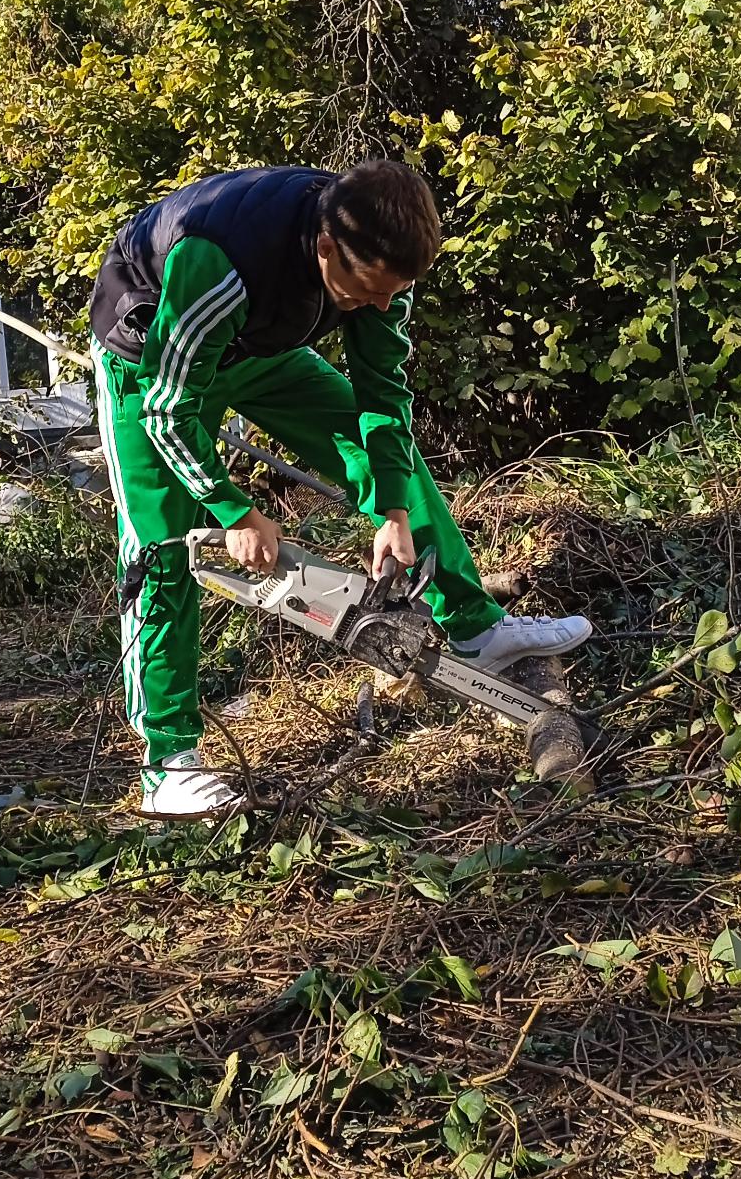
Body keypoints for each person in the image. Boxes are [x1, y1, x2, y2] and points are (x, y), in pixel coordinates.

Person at [90, 160, 592, 816]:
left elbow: (382, 396)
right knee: (161, 547)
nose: (380, 306)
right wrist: (234, 508)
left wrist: (391, 510)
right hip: (150, 366)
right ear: (326, 247)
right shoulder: (216, 261)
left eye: (393, 293)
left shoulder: (381, 261)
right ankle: (168, 764)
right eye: (364, 292)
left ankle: (474, 626)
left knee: (394, 461)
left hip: (257, 352)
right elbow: (165, 409)